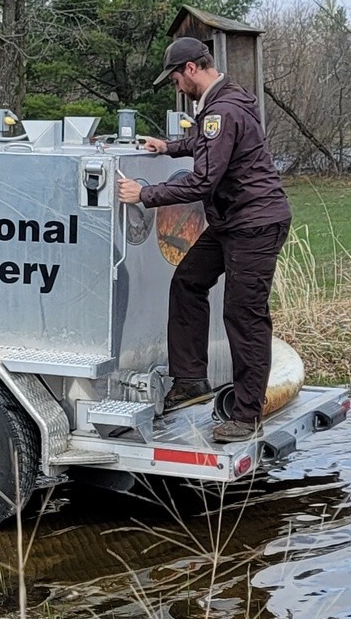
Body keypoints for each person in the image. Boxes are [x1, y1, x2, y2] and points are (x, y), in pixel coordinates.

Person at [117, 37, 292, 444]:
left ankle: (246, 415)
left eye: (177, 78)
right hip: (235, 220)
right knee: (189, 281)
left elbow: (203, 179)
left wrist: (145, 194)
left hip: (254, 225)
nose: (177, 87)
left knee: (245, 318)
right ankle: (190, 378)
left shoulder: (222, 109)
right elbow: (208, 146)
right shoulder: (227, 100)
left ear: (192, 69)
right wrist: (169, 146)